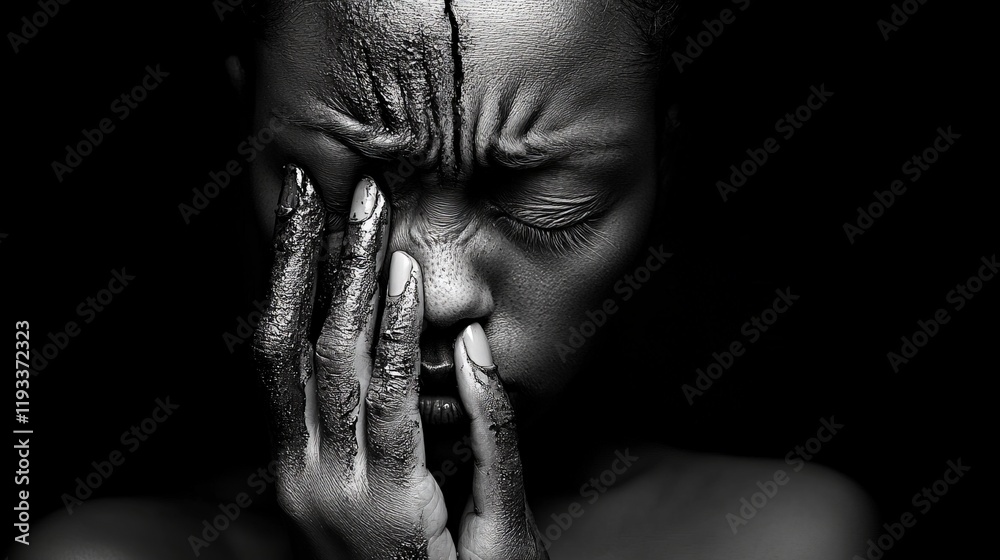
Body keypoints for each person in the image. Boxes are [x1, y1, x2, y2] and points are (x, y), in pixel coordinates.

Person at [20, 1, 876, 558]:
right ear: (246, 127)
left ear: (667, 158)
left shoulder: (779, 539)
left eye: (546, 201)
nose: (433, 292)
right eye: (359, 186)